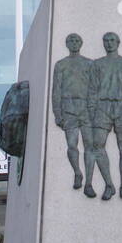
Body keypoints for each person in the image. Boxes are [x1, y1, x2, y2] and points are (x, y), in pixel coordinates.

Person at [89, 32, 122, 200]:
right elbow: (92, 89)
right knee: (98, 145)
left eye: (112, 40)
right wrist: (92, 110)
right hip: (103, 107)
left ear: (118, 43)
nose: (109, 43)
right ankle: (109, 184)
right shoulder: (97, 64)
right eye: (106, 40)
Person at [51, 33, 97, 196]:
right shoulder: (61, 64)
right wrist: (57, 113)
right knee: (72, 144)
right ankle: (77, 172)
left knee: (89, 145)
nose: (74, 43)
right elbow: (56, 90)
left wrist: (94, 109)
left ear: (81, 43)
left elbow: (95, 87)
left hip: (86, 108)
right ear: (67, 44)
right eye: (71, 40)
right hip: (68, 107)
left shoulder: (89, 63)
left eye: (77, 40)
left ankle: (89, 183)